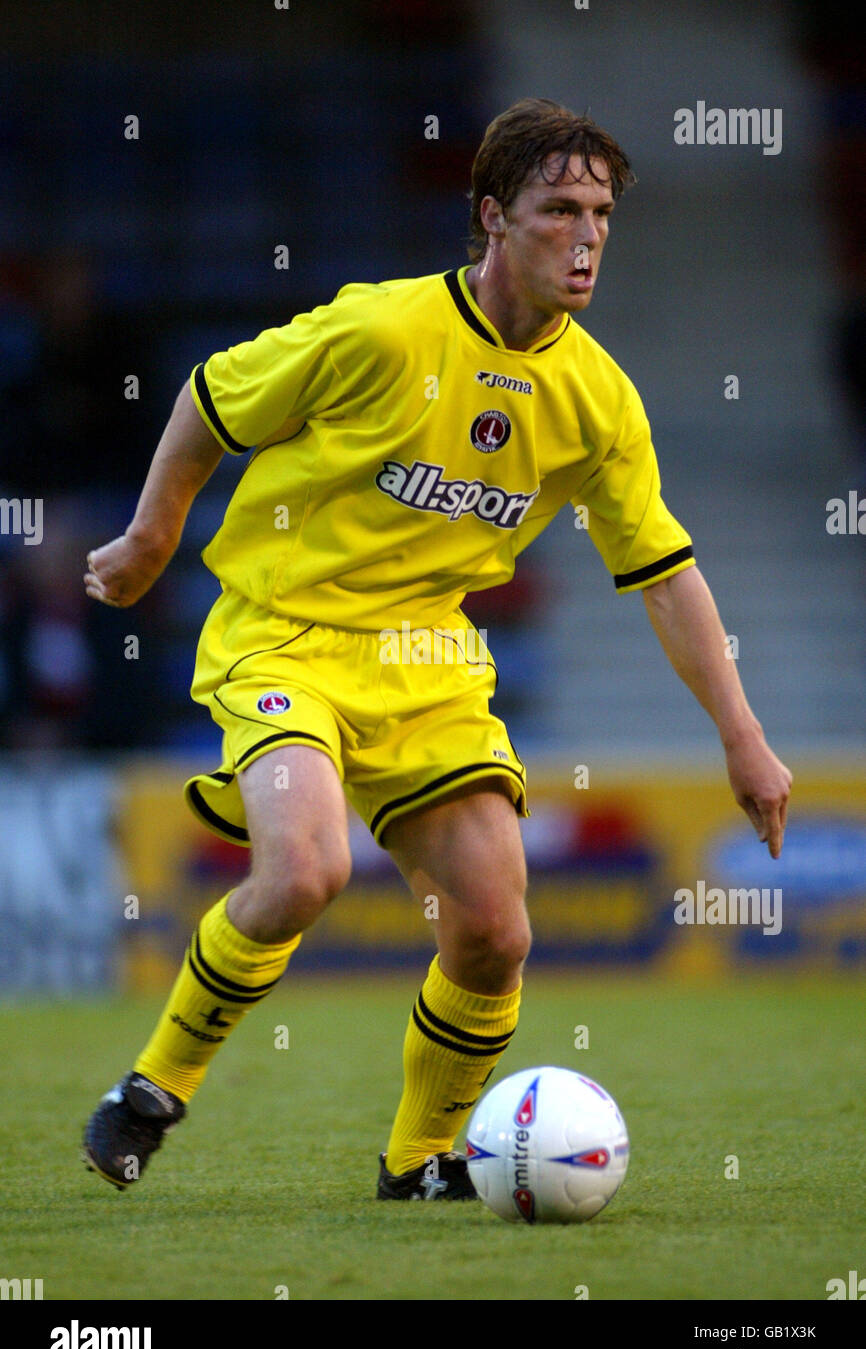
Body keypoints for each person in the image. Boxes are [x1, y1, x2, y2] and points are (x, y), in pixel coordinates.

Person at [82, 98, 792, 1200]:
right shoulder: (379, 330)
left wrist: (742, 740)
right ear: (491, 218)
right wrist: (149, 538)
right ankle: (150, 1091)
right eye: (558, 209)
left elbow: (662, 572)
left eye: (601, 211)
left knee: (496, 931)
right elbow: (214, 398)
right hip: (288, 638)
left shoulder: (597, 398)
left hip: (428, 668)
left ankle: (416, 1161)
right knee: (306, 868)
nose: (586, 235)